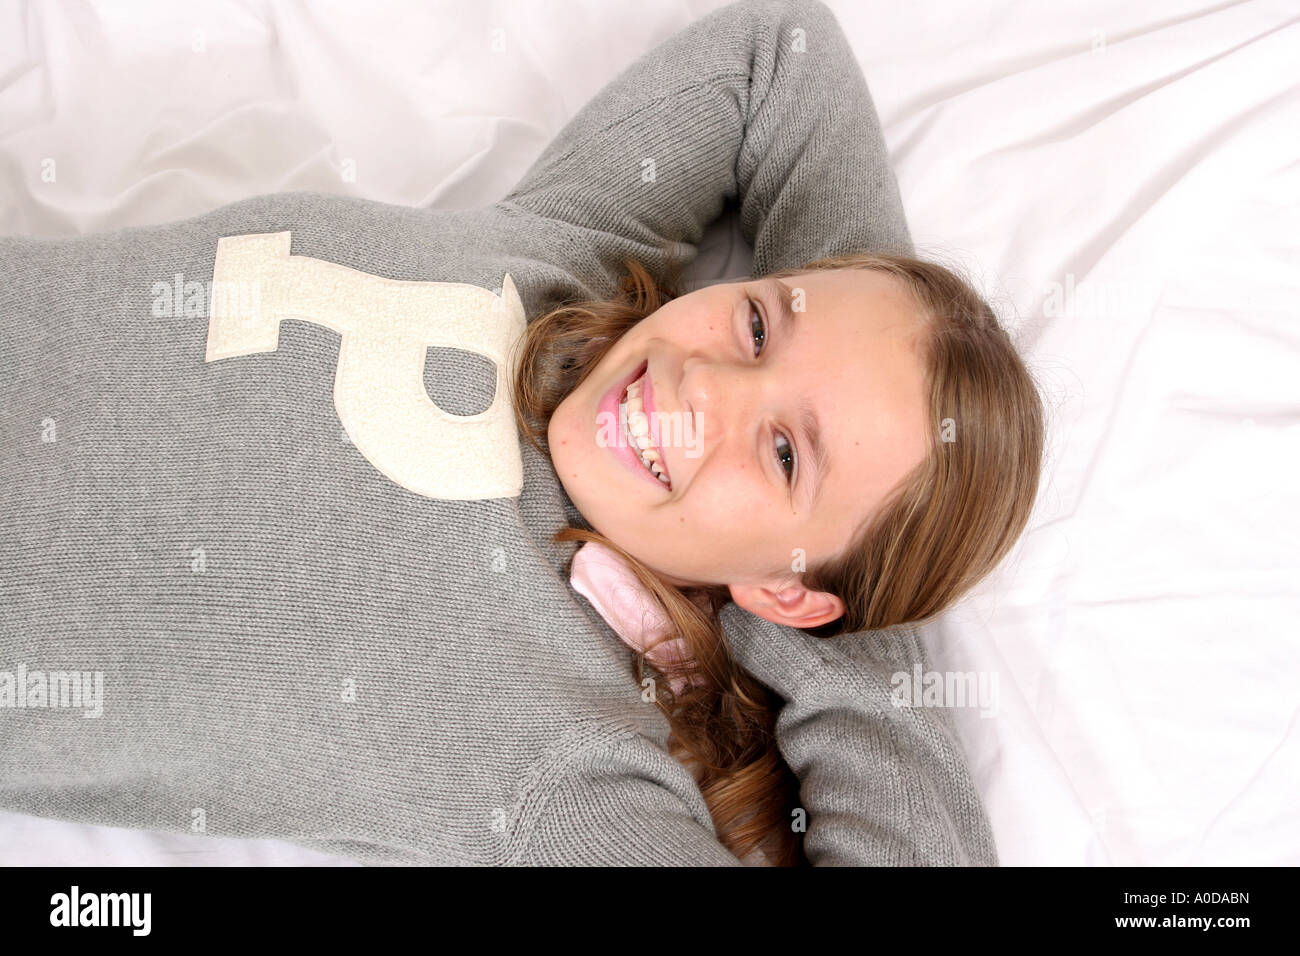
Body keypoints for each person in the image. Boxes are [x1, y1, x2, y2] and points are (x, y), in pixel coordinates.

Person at [0, 0, 1041, 866]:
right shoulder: (575, 254)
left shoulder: (570, 757)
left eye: (782, 452)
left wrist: (837, 625)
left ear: (789, 590)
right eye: (758, 321)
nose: (703, 384)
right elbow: (782, 50)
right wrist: (857, 320)